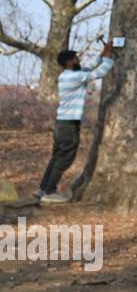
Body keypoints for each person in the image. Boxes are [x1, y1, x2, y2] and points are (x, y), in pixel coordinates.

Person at [36, 41, 115, 204]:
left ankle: (43, 189)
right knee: (65, 158)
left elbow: (88, 67)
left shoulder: (68, 75)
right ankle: (49, 192)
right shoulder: (74, 77)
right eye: (77, 58)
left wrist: (102, 54)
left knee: (57, 156)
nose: (79, 60)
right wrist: (108, 58)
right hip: (68, 124)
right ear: (70, 62)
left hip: (62, 123)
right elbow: (99, 73)